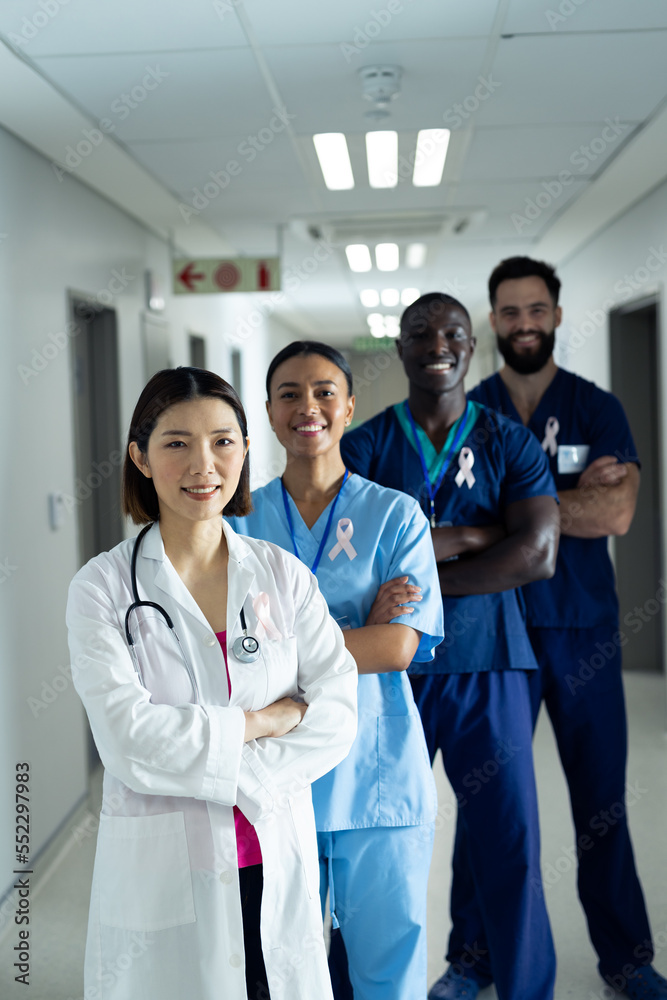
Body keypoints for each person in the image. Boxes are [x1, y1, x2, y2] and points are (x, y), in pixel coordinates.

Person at [66, 367, 358, 1000]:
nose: (204, 464)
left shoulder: (281, 575)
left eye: (224, 441)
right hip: (172, 872)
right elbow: (130, 740)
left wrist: (223, 761)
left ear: (247, 450)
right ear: (139, 457)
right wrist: (260, 722)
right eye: (177, 443)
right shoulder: (102, 589)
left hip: (273, 856)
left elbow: (336, 715)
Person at [340, 293, 560, 1000]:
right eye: (419, 333)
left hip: (490, 665)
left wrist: (419, 561)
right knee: (369, 840)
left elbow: (535, 554)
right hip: (390, 670)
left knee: (509, 844)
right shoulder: (366, 445)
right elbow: (360, 563)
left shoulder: (508, 441)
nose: (437, 342)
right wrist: (475, 533)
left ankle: (519, 985)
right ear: (399, 349)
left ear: (473, 347)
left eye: (453, 333)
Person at [467, 255, 667, 1000]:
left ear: (555, 314)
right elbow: (457, 525)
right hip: (494, 635)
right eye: (509, 312)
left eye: (535, 309)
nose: (523, 324)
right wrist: (558, 505)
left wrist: (512, 513)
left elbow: (615, 512)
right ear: (492, 321)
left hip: (582, 632)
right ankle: (473, 955)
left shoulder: (597, 407)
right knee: (491, 806)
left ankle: (625, 960)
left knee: (600, 804)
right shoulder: (469, 412)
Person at [228, 341, 444, 1000]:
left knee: (387, 969)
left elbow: (399, 649)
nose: (307, 407)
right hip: (273, 783)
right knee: (281, 972)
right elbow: (227, 655)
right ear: (267, 412)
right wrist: (358, 632)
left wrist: (285, 649)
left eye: (324, 391)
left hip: (377, 782)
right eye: (288, 393)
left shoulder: (395, 514)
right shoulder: (239, 522)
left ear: (349, 406)